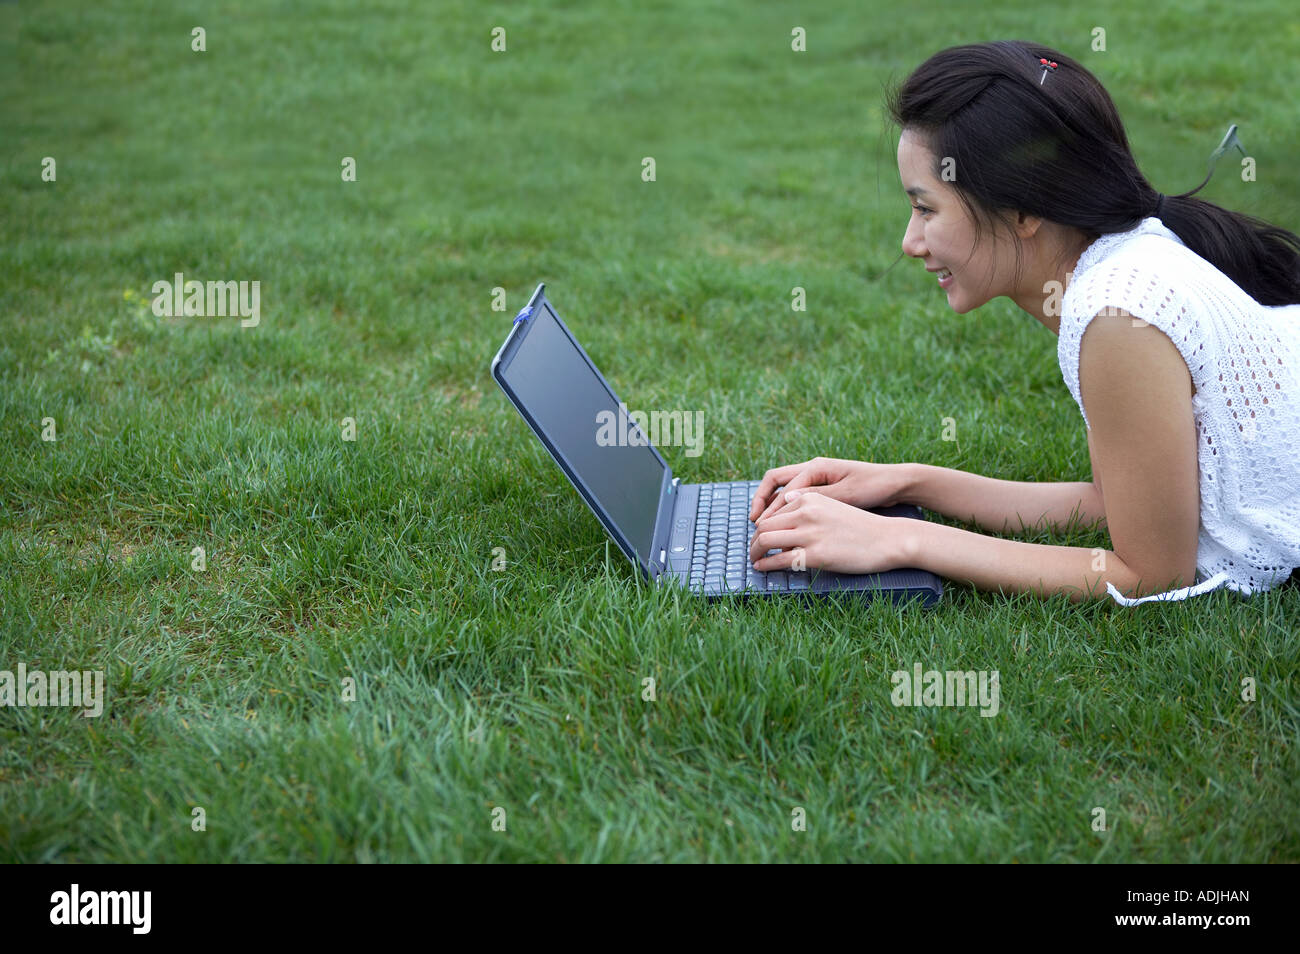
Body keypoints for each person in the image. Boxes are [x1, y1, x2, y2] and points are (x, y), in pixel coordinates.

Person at [747, 40, 1300, 605]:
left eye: (926, 208)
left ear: (1024, 212)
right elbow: (1109, 503)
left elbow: (1152, 572)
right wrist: (908, 482)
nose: (909, 243)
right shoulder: (1119, 267)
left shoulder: (1119, 313)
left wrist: (901, 538)